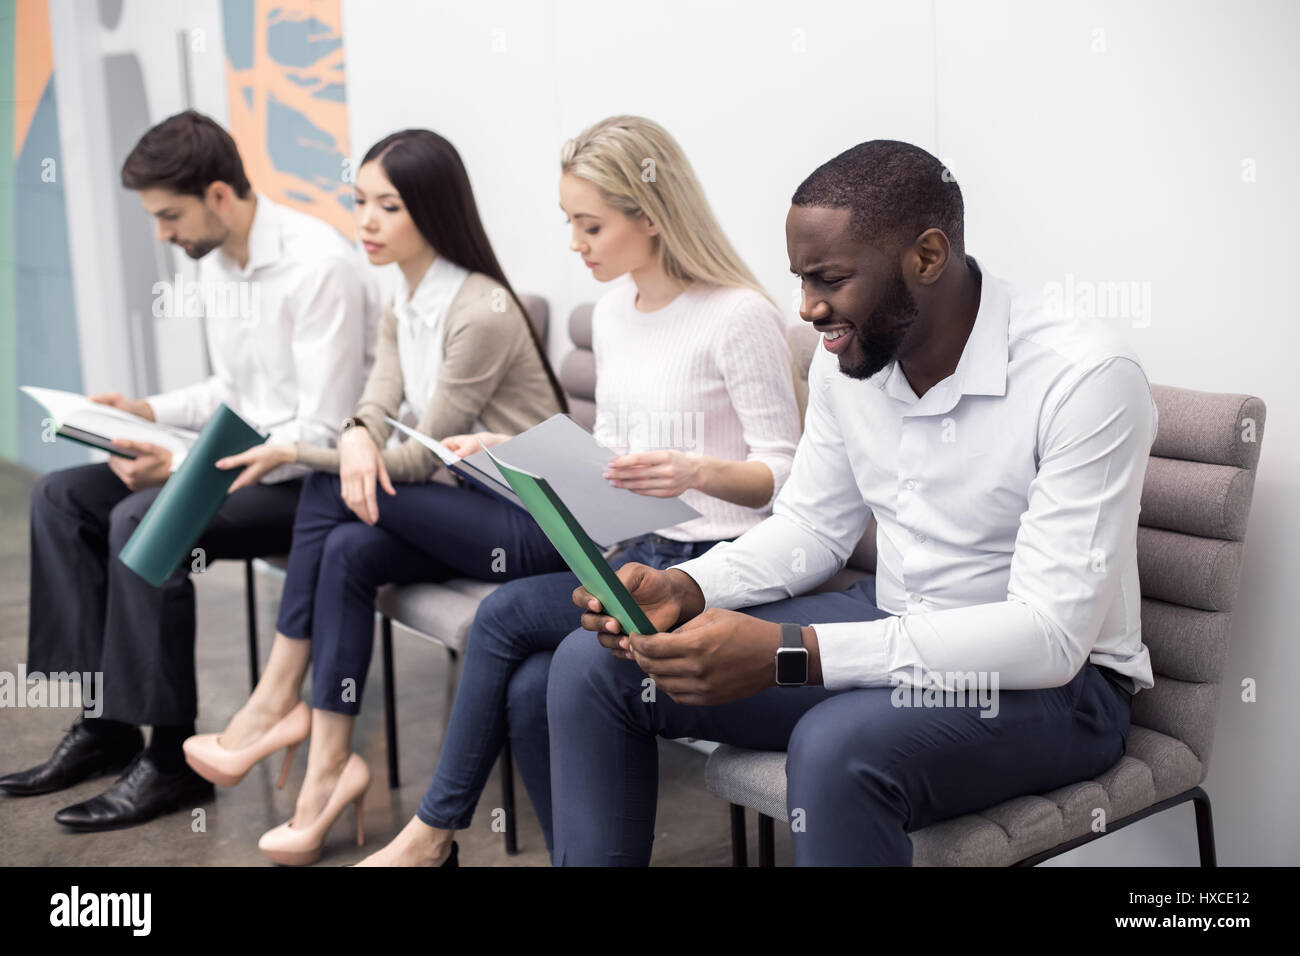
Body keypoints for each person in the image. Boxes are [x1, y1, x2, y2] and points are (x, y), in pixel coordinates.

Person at [549, 139, 1158, 866]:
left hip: (1057, 685)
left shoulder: (1085, 377)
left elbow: (1050, 638)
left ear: (927, 257)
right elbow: (812, 526)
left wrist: (794, 655)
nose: (809, 308)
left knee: (834, 748)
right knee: (597, 667)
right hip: (894, 618)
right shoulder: (849, 356)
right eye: (801, 279)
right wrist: (689, 586)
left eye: (830, 279)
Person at [356, 115, 802, 867]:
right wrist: (506, 451)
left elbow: (785, 475)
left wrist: (696, 471)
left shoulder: (738, 316)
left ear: (651, 216)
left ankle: (431, 835)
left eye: (589, 225)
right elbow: (613, 461)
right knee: (531, 686)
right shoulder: (616, 314)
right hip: (641, 550)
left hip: (720, 564)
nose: (574, 243)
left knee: (501, 615)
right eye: (569, 222)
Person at [180, 129, 571, 866]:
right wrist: (357, 431)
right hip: (463, 513)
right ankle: (328, 769)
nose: (365, 221)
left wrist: (303, 450)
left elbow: (419, 460)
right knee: (349, 548)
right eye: (359, 201)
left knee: (327, 484)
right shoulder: (403, 299)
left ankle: (276, 701)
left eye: (388, 207)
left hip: (532, 527)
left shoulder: (479, 311)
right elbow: (374, 405)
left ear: (433, 209)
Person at [0, 110, 378, 832]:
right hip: (239, 467)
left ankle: (171, 761)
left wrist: (177, 464)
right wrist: (144, 410)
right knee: (60, 497)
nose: (161, 234)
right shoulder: (220, 262)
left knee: (142, 517)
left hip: (310, 486)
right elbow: (231, 393)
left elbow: (323, 430)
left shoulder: (318, 265)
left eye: (169, 216)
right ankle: (105, 723)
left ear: (219, 195)